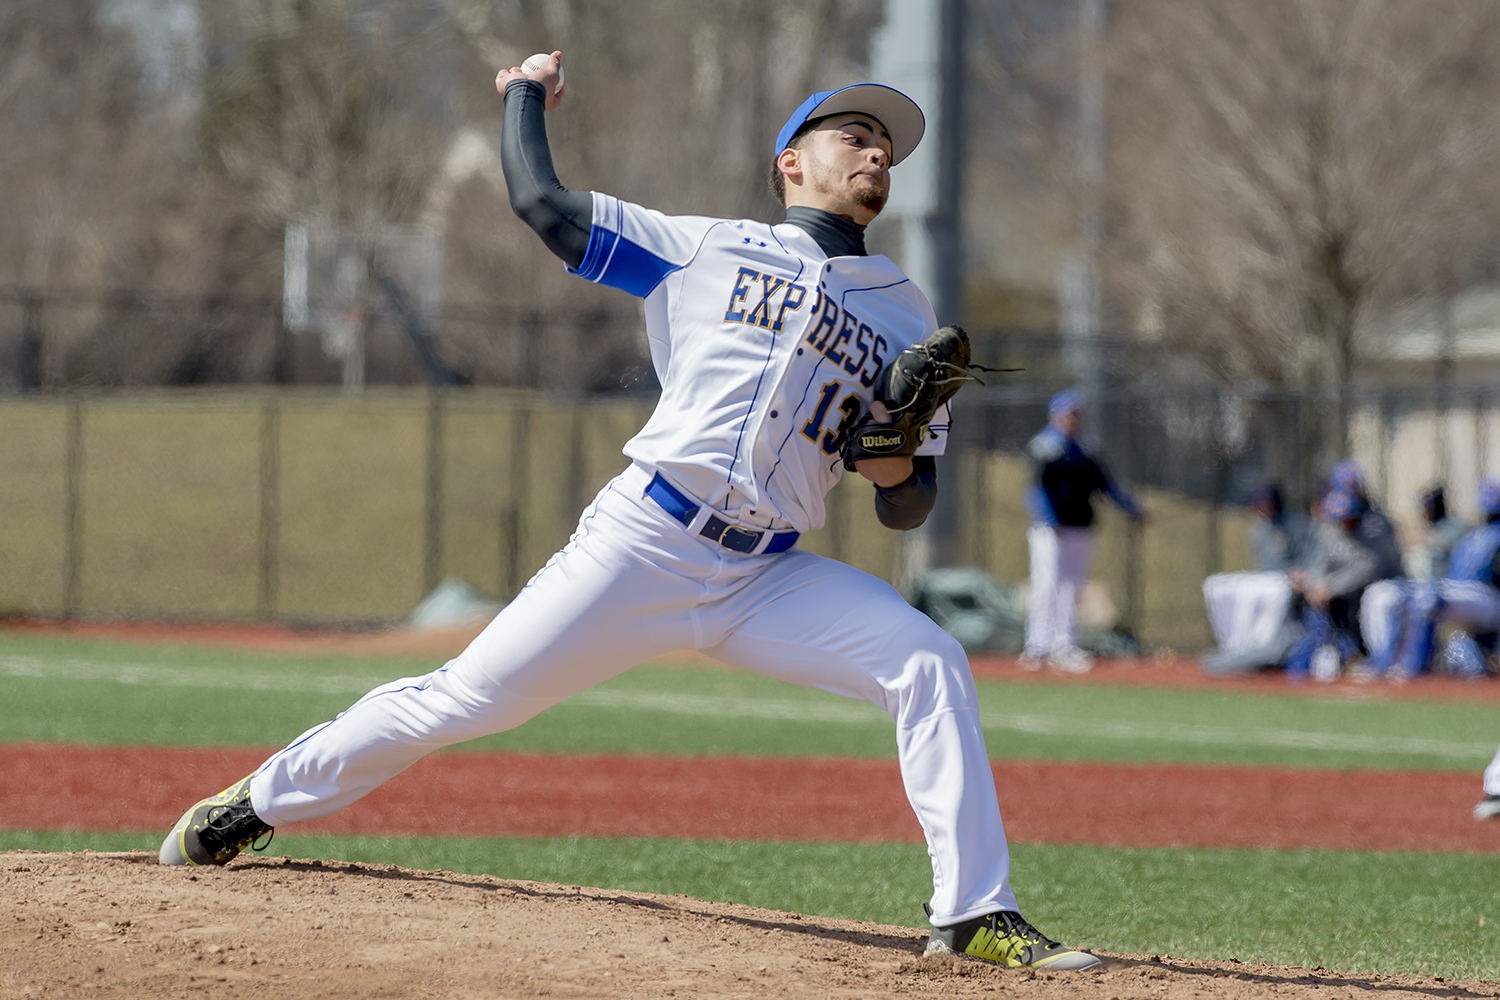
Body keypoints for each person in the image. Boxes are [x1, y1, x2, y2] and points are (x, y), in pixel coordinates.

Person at [155, 54, 1101, 972]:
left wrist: (895, 468)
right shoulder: (705, 247)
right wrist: (526, 94)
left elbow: (911, 507)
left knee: (927, 659)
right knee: (466, 698)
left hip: (765, 575)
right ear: (790, 163)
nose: (876, 154)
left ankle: (975, 912)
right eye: (853, 134)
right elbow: (542, 206)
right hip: (644, 542)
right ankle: (259, 802)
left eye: (887, 145)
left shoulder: (907, 312)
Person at [1020, 389, 1146, 673]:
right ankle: (1037, 646)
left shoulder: (1086, 449)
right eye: (1069, 413)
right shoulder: (1044, 446)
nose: (1074, 418)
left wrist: (1134, 509)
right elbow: (1036, 489)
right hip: (1051, 530)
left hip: (1081, 527)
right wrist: (1050, 521)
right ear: (1056, 415)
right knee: (1047, 586)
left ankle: (1064, 645)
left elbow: (1106, 486)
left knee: (1072, 589)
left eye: (1077, 413)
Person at [1368, 478, 1500, 680]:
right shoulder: (1478, 534)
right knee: (1392, 594)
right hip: (1466, 593)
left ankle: (1415, 672)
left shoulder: (1477, 534)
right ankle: (1389, 664)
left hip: (1489, 598)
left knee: (1427, 600)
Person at [1200, 485, 1313, 675]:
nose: (1262, 509)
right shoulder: (1260, 529)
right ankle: (1237, 648)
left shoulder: (1295, 524)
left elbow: (1305, 561)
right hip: (1270, 581)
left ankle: (1255, 648)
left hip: (1293, 586)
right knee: (1218, 586)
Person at [1285, 489, 1384, 680]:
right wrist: (1314, 585)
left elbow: (1366, 570)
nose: (1344, 523)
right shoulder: (1330, 532)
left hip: (1366, 591)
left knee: (1344, 604)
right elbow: (1319, 563)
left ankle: (1356, 656)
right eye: (1340, 519)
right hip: (1332, 596)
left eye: (1348, 518)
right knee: (1307, 605)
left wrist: (1330, 588)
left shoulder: (1373, 531)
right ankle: (1333, 657)